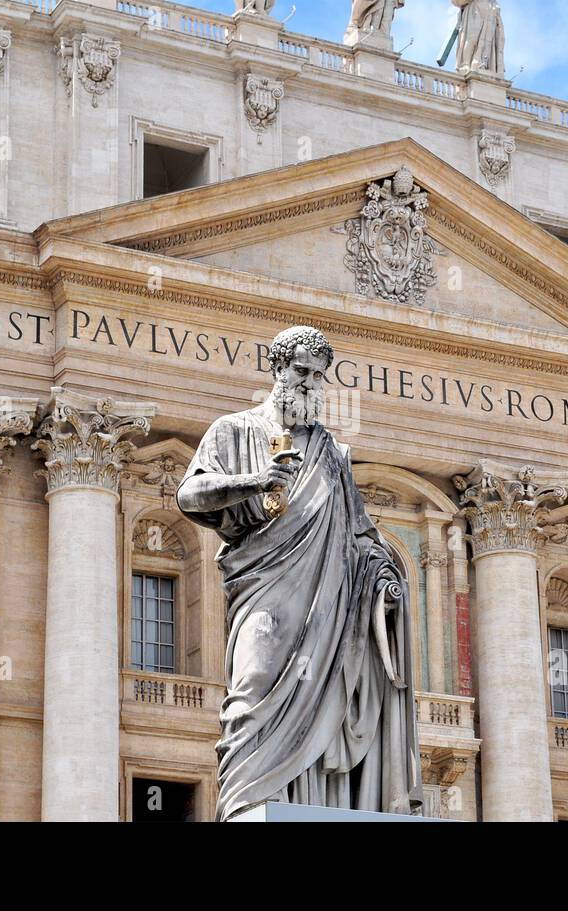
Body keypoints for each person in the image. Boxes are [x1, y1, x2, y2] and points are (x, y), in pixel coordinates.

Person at [177, 325, 422, 820]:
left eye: (319, 375)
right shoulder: (235, 430)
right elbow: (189, 496)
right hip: (265, 588)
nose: (311, 383)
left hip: (329, 603)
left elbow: (359, 536)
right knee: (255, 682)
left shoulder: (334, 454)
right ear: (277, 369)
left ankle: (303, 805)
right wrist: (256, 480)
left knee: (320, 697)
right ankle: (246, 807)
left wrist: (383, 582)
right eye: (301, 371)